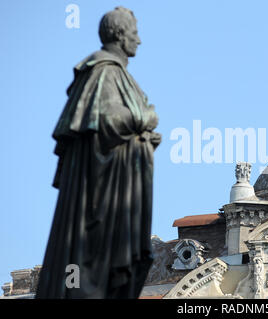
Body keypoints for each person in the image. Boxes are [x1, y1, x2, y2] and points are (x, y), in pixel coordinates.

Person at [35, 6, 161, 298]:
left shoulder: (115, 75)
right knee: (90, 267)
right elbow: (106, 121)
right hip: (101, 196)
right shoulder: (104, 73)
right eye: (134, 32)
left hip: (119, 190)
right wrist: (144, 119)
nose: (138, 40)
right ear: (119, 35)